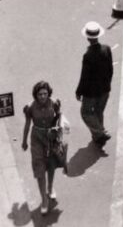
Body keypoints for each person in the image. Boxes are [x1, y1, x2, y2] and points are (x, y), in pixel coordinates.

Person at [22, 81, 66, 215]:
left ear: (49, 93)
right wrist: (24, 141)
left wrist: (59, 133)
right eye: (40, 94)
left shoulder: (54, 103)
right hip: (37, 139)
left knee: (51, 165)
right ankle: (44, 200)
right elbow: (27, 124)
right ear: (35, 94)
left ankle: (50, 188)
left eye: (45, 94)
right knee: (39, 169)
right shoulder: (30, 107)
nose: (42, 97)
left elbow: (59, 117)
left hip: (51, 138)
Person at [76, 22, 113, 148]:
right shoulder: (107, 49)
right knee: (98, 112)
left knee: (85, 113)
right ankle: (98, 137)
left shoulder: (88, 55)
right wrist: (107, 85)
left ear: (87, 38)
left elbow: (84, 76)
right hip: (104, 89)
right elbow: (110, 69)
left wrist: (79, 91)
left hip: (91, 92)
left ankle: (100, 132)